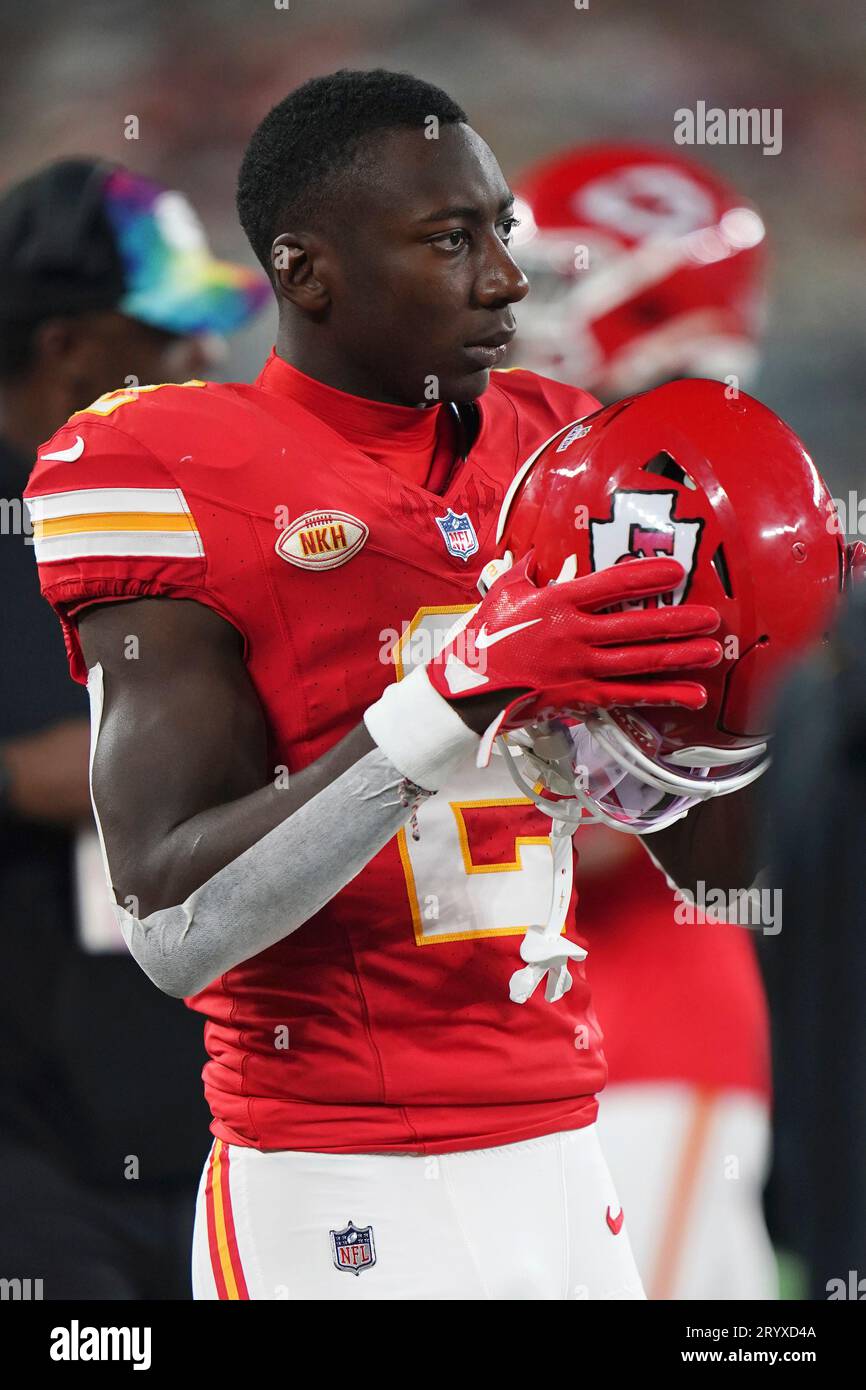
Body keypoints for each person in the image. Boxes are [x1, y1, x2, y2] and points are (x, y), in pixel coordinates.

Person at [25, 72, 761, 1302]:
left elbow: (717, 868)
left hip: (568, 1148)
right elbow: (170, 926)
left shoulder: (561, 443)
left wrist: (731, 670)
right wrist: (460, 690)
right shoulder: (174, 466)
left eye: (501, 234)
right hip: (342, 1174)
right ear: (306, 272)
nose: (504, 281)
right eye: (448, 239)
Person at [509, 142, 776, 1298]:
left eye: (555, 279)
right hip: (536, 1034)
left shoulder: (683, 510)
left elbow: (623, 816)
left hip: (653, 1032)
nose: (512, 302)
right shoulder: (557, 476)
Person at [0, 156, 269, 1298]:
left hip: (222, 1129)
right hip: (33, 1153)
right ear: (65, 348)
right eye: (171, 330)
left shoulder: (205, 523)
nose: (206, 358)